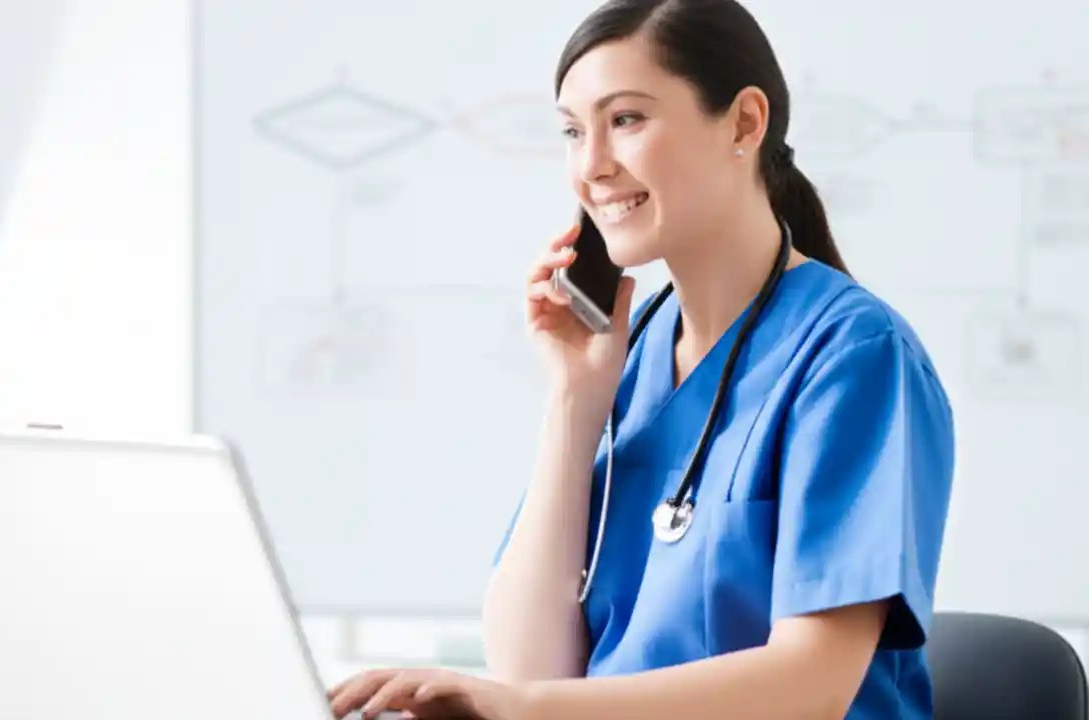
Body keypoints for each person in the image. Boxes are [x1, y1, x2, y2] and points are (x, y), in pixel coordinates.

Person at [327, 0, 955, 717]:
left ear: (745, 123)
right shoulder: (630, 356)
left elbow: (811, 685)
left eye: (626, 119)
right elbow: (529, 665)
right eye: (572, 131)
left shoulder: (854, 355)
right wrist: (573, 401)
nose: (590, 166)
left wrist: (524, 707)